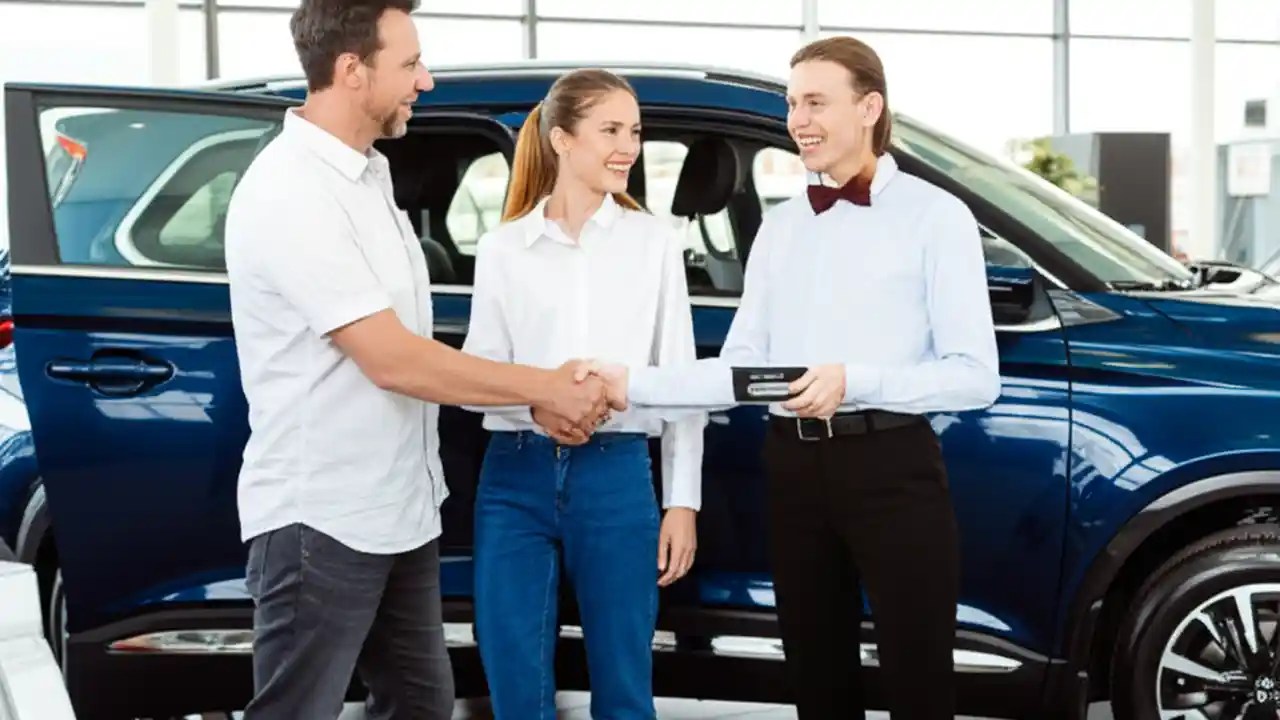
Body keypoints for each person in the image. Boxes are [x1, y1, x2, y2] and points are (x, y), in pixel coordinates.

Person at [588, 36, 1001, 719]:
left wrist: (854, 379)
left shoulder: (937, 218)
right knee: (814, 679)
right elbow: (742, 373)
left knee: (918, 680)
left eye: (815, 102)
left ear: (869, 107)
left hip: (892, 466)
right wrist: (628, 383)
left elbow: (974, 377)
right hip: (793, 470)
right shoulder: (781, 229)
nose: (797, 120)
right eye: (791, 103)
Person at [222, 2, 613, 718]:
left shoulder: (368, 179)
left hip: (399, 509)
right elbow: (393, 359)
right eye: (409, 64)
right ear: (350, 70)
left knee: (421, 707)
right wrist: (543, 390)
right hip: (324, 519)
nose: (425, 81)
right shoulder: (290, 193)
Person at [459, 68, 704, 720]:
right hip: (514, 477)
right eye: (611, 131)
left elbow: (681, 380)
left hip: (617, 475)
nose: (628, 146)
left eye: (635, 132)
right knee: (516, 687)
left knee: (626, 689)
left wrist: (682, 502)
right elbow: (478, 379)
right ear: (562, 138)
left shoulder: (655, 243)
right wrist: (537, 402)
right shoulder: (504, 248)